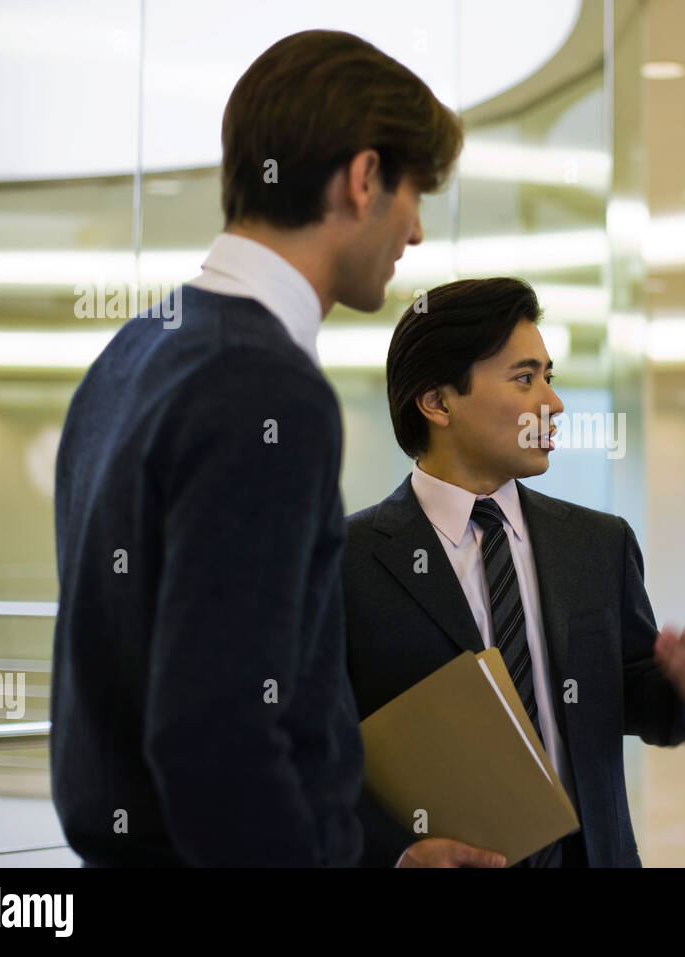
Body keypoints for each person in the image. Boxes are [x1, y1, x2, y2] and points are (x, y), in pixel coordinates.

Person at [50, 30, 462, 865]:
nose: (414, 231)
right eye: (415, 192)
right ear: (363, 178)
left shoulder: (132, 353)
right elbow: (219, 741)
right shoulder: (265, 389)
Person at [343, 277, 685, 867]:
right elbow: (312, 752)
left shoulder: (597, 543)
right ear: (437, 402)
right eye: (524, 377)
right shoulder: (346, 560)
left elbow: (636, 696)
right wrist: (398, 854)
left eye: (549, 376)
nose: (553, 402)